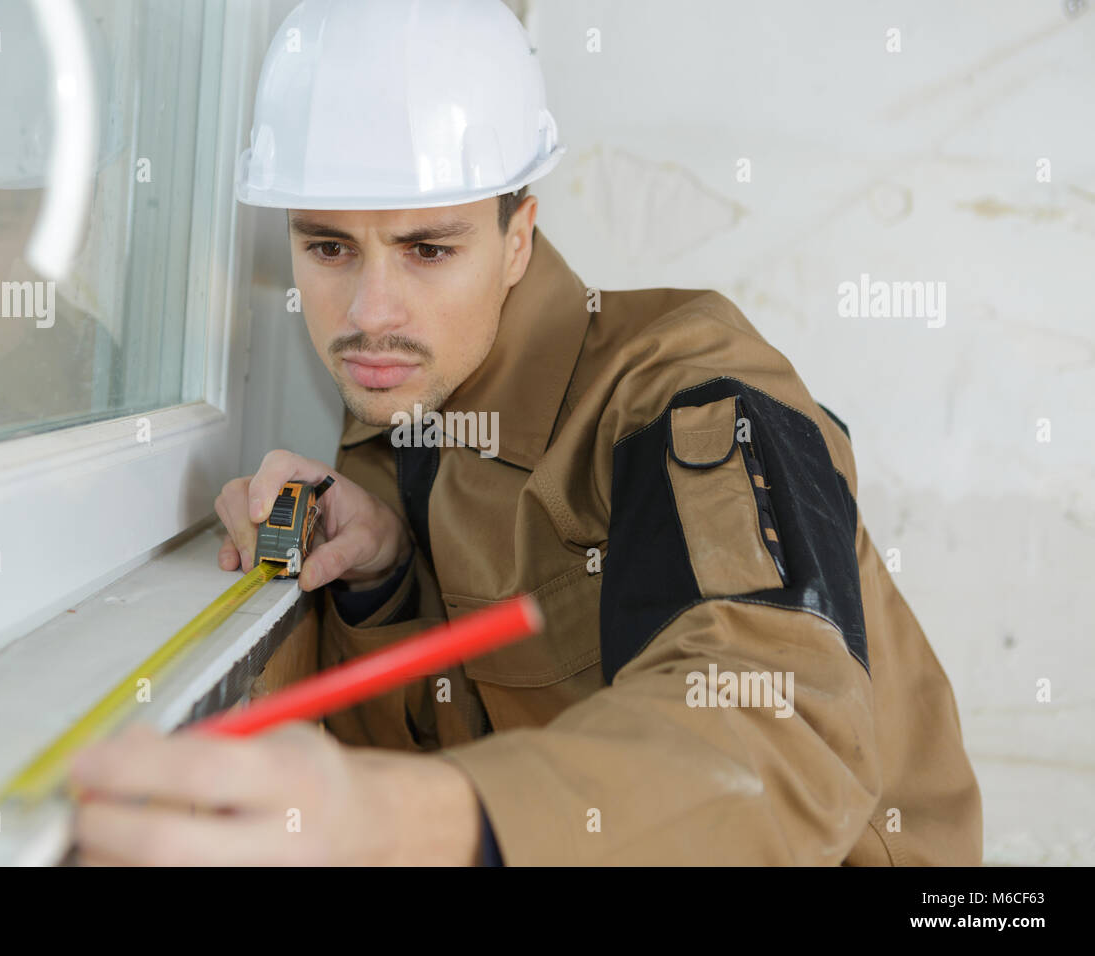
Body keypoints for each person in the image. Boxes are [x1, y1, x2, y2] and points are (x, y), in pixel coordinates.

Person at [70, 0, 981, 866]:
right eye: (328, 247)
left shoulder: (686, 395)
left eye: (429, 249)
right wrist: (385, 581)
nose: (367, 313)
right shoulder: (397, 421)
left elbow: (781, 736)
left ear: (518, 238)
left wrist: (389, 820)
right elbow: (488, 731)